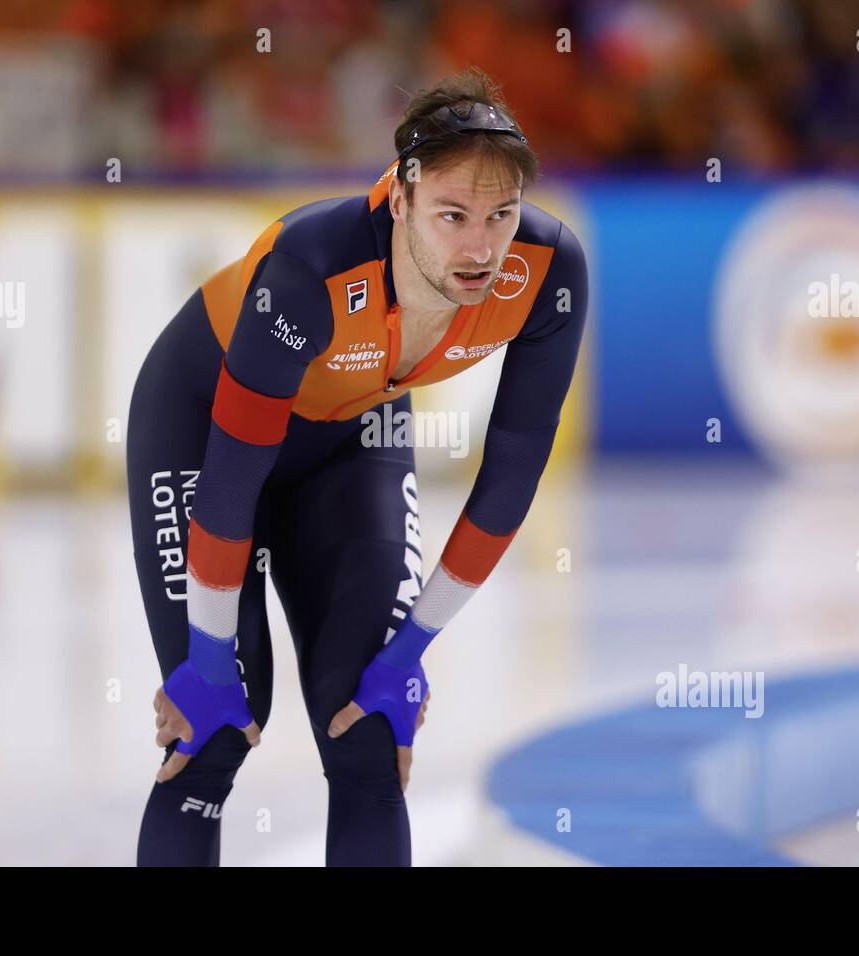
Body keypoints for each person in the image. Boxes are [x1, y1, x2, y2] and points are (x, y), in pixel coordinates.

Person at [126, 67, 588, 866]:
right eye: (452, 215)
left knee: (370, 728)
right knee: (216, 730)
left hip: (350, 433)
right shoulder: (313, 266)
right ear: (400, 197)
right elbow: (233, 483)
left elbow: (511, 477)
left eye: (500, 215)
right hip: (203, 427)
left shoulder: (546, 275)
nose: (480, 248)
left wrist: (411, 651)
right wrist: (205, 660)